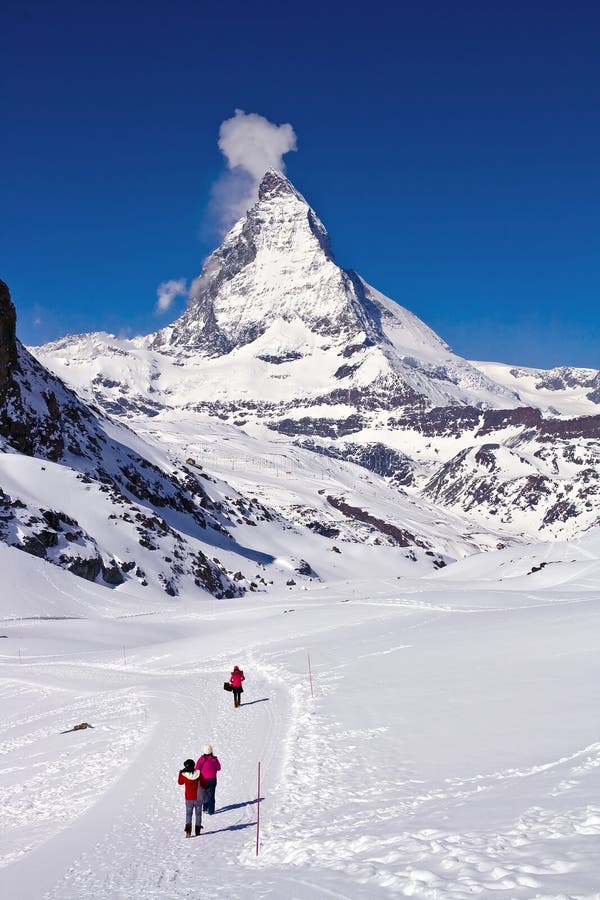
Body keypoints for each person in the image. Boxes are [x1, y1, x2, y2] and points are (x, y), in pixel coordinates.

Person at [178, 758, 205, 837]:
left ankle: (188, 832)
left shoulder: (184, 774)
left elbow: (180, 782)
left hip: (188, 798)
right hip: (198, 798)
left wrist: (181, 773)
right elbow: (204, 783)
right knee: (198, 815)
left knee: (188, 815)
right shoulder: (198, 773)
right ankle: (197, 831)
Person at [196, 744, 221, 815]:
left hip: (203, 780)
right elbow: (219, 768)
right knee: (211, 795)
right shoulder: (214, 759)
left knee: (204, 794)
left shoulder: (201, 759)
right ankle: (211, 811)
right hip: (213, 779)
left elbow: (197, 768)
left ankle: (205, 809)